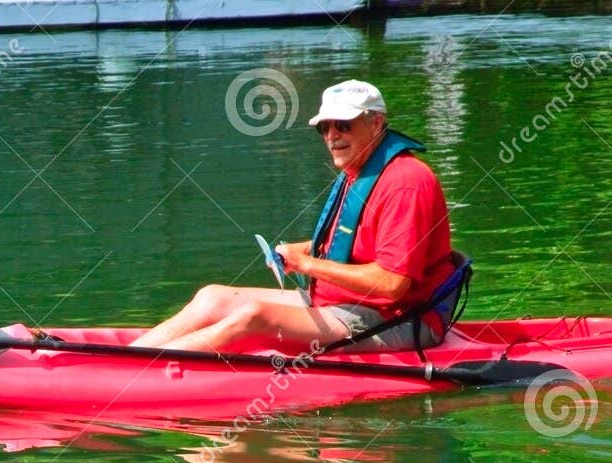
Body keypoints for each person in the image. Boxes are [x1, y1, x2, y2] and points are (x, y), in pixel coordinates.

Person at [131, 80, 459, 354]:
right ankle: (131, 356)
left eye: (343, 125)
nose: (332, 135)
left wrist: (307, 265)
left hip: (397, 319)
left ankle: (134, 375)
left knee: (254, 316)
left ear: (376, 123)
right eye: (324, 127)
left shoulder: (405, 182)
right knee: (212, 297)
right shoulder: (359, 170)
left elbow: (392, 285)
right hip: (343, 303)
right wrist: (299, 251)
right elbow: (351, 244)